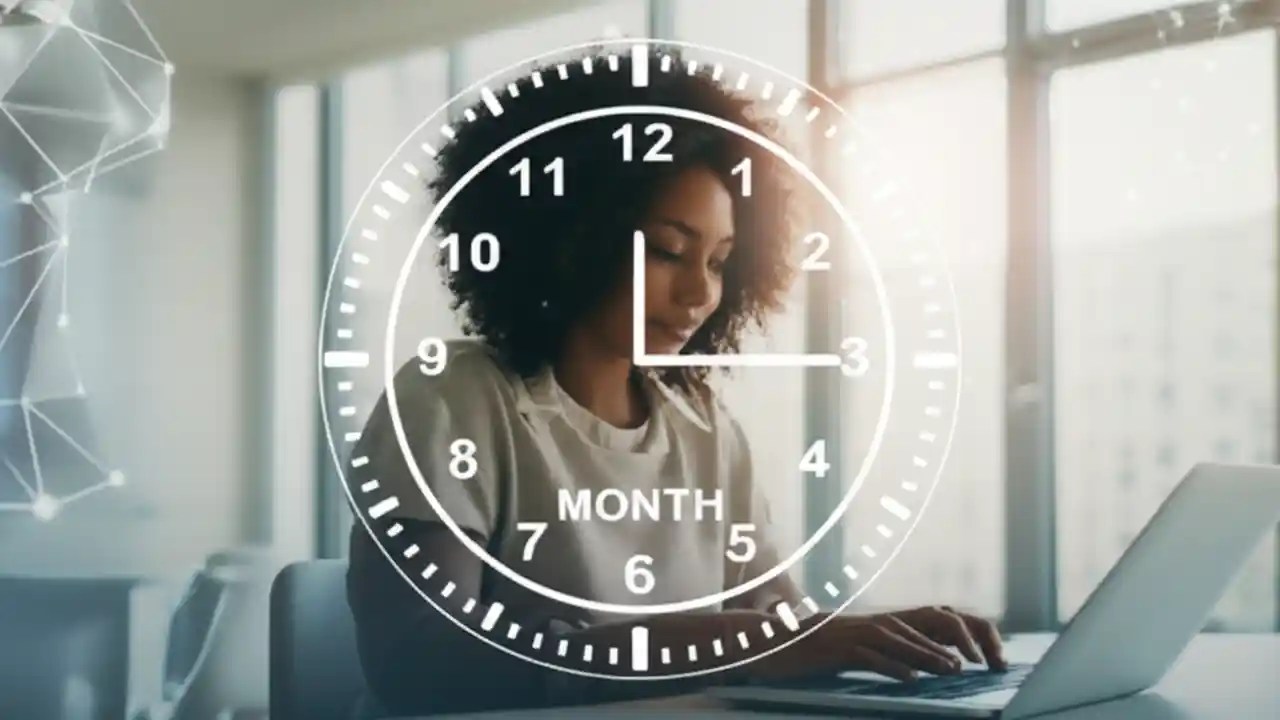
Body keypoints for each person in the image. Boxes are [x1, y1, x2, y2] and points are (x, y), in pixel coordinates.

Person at [344, 45, 1005, 717]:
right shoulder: (453, 400)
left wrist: (875, 638)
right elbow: (421, 663)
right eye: (666, 251)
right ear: (565, 237)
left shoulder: (702, 425)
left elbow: (774, 628)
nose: (700, 293)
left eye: (719, 261)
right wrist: (750, 642)